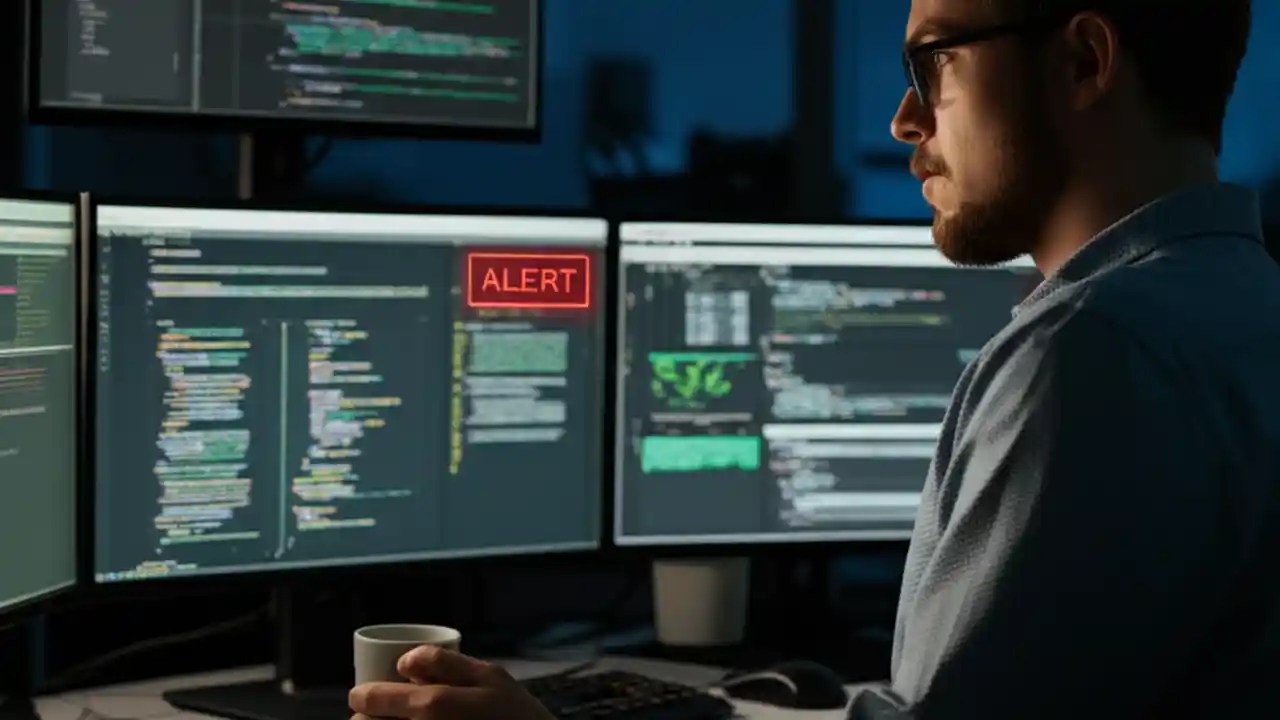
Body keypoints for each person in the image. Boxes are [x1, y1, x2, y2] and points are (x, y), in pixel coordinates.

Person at [349, 0, 1276, 718]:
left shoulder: (1088, 350)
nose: (905, 120)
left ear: (1083, 61)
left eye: (933, 62)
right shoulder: (1241, 302)